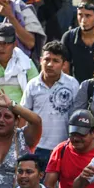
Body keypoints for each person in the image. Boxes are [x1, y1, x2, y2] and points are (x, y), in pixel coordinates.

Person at [21, 41, 79, 169]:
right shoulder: (32, 85)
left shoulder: (72, 84)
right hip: (38, 148)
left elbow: (76, 117)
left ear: (64, 64)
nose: (49, 64)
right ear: (41, 60)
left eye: (55, 61)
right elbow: (23, 116)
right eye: (46, 59)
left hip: (65, 147)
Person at [0, 22, 40, 123]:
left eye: (5, 43)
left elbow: (36, 96)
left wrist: (23, 122)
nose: (0, 48)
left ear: (14, 44)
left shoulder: (27, 65)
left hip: (20, 121)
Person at [44, 110, 94, 188]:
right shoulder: (60, 150)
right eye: (73, 134)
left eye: (81, 135)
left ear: (93, 133)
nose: (76, 138)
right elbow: (48, 186)